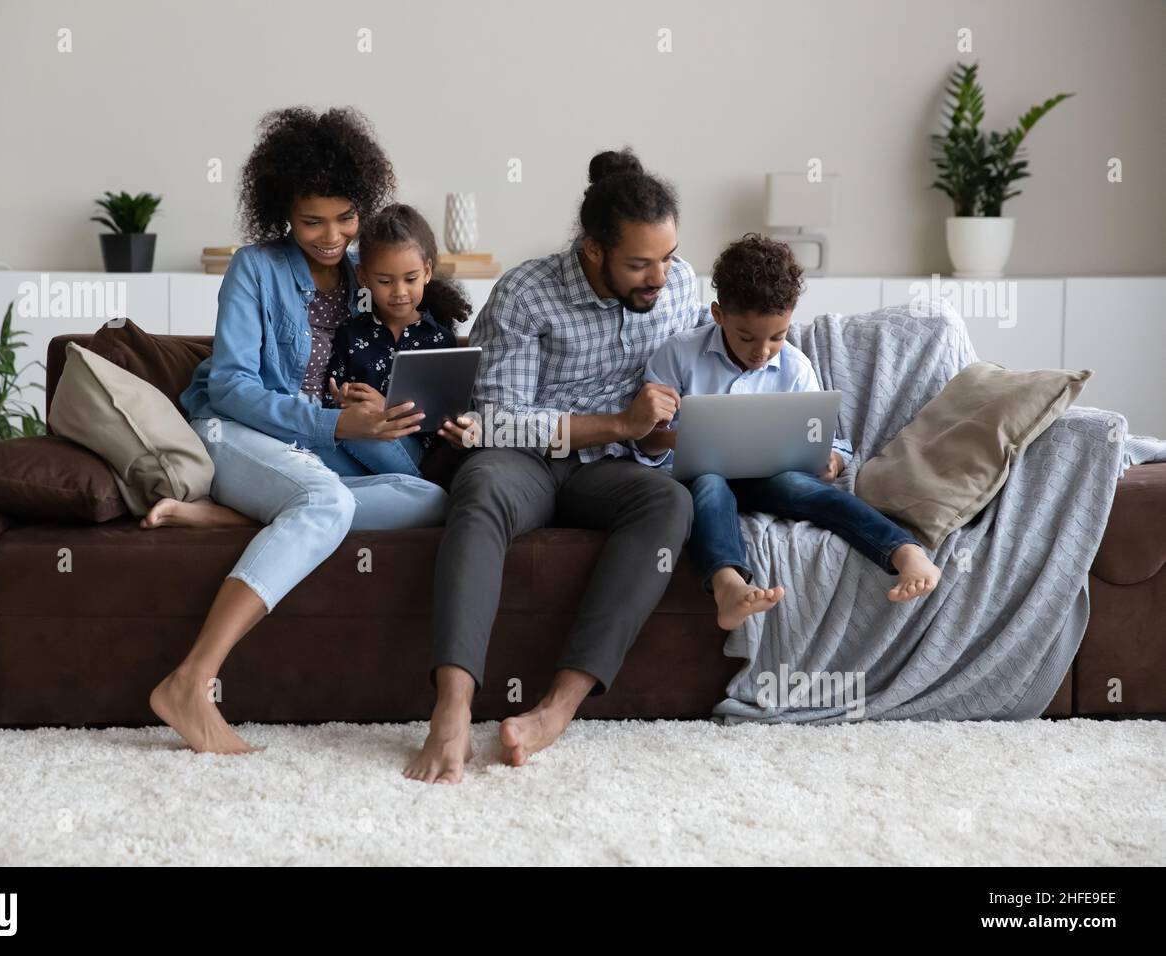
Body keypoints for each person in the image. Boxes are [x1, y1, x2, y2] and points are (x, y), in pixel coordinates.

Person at [145, 107, 448, 755]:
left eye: (346, 218)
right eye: (313, 220)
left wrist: (384, 412)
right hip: (235, 433)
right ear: (283, 210)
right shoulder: (255, 269)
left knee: (433, 497)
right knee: (327, 500)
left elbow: (408, 341)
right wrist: (334, 420)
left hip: (321, 447)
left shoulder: (375, 269)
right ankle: (190, 682)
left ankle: (235, 519)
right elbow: (229, 387)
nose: (332, 236)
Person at [405, 148, 706, 784]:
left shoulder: (680, 287)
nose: (660, 276)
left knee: (669, 503)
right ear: (594, 250)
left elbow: (704, 369)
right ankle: (452, 707)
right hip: (526, 460)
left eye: (668, 257)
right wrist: (620, 423)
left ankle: (556, 710)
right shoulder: (528, 292)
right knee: (481, 487)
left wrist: (670, 433)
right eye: (640, 263)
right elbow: (494, 419)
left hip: (612, 471)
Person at [635, 233, 942, 632]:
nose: (762, 351)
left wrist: (830, 459)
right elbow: (645, 440)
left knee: (803, 489)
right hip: (701, 474)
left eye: (776, 337)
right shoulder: (678, 354)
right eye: (747, 337)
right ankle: (729, 586)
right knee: (710, 485)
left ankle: (904, 551)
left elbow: (830, 440)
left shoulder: (795, 366)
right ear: (718, 314)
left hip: (771, 476)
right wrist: (684, 437)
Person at [324, 203, 465, 476]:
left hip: (415, 453)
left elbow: (446, 418)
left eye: (410, 279)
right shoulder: (350, 335)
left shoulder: (440, 339)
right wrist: (340, 402)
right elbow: (332, 408)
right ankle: (405, 495)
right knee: (325, 445)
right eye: (385, 281)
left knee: (360, 437)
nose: (399, 291)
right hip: (358, 446)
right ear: (363, 277)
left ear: (426, 272)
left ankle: (417, 489)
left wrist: (386, 408)